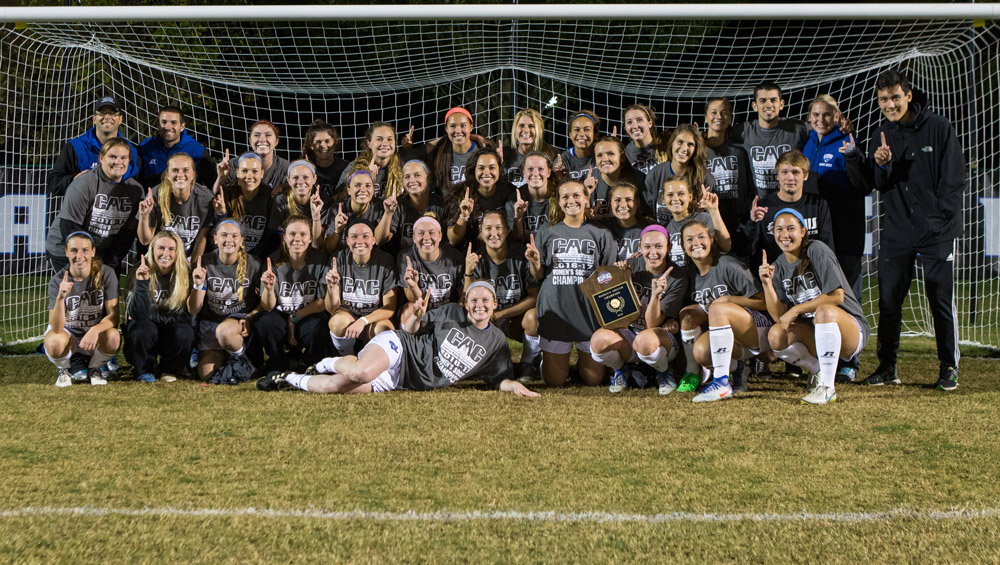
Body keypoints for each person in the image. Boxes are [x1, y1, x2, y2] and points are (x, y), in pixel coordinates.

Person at [860, 69, 965, 390]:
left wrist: (943, 220)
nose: (889, 104)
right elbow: (878, 184)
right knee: (889, 301)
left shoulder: (940, 128)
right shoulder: (883, 133)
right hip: (897, 232)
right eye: (883, 100)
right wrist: (881, 164)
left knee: (940, 301)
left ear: (908, 95)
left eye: (894, 97)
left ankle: (949, 367)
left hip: (936, 232)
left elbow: (954, 179)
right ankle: (887, 367)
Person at [256, 282, 540, 397]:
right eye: (474, 299)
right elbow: (412, 329)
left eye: (486, 300)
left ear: (494, 305)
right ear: (467, 304)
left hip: (403, 380)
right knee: (360, 371)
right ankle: (324, 362)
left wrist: (514, 386)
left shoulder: (496, 341)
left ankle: (287, 378)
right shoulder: (453, 311)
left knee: (337, 386)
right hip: (400, 349)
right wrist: (417, 314)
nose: (480, 305)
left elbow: (497, 378)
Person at [759, 209, 871, 404]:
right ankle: (818, 370)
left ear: (803, 231)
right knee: (776, 335)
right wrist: (767, 284)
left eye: (791, 228)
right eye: (779, 229)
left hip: (850, 330)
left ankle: (828, 387)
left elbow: (836, 296)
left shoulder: (816, 249)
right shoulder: (779, 265)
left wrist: (796, 309)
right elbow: (780, 318)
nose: (785, 234)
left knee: (824, 310)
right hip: (818, 333)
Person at [802, 95, 873, 382]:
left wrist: (853, 154)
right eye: (815, 115)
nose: (821, 120)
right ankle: (821, 356)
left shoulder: (847, 142)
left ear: (837, 116)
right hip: (816, 236)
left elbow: (863, 185)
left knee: (847, 296)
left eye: (827, 115)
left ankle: (850, 361)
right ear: (809, 118)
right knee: (818, 296)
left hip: (846, 235)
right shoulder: (805, 143)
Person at [525, 179, 617, 387]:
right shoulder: (548, 232)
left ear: (586, 199)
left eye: (576, 195)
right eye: (565, 196)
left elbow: (608, 278)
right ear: (558, 202)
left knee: (593, 380)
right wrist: (535, 262)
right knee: (554, 381)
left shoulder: (602, 233)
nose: (571, 200)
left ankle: (579, 365)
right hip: (556, 308)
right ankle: (547, 360)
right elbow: (538, 275)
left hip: (588, 311)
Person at [590, 225, 687, 394]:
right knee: (598, 341)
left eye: (659, 246)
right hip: (631, 335)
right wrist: (618, 278)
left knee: (645, 340)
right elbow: (613, 309)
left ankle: (664, 372)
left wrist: (656, 295)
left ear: (669, 247)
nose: (653, 252)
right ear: (640, 248)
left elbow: (651, 323)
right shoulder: (631, 266)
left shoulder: (676, 276)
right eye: (647, 247)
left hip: (658, 339)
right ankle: (621, 370)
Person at [677, 220, 767, 398]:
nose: (696, 243)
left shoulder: (728, 265)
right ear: (682, 245)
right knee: (700, 350)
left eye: (701, 237)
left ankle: (721, 382)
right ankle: (737, 367)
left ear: (712, 240)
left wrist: (728, 299)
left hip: (756, 330)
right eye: (689, 239)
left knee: (718, 307)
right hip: (728, 336)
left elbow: (763, 302)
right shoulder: (689, 275)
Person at [45, 138, 145, 274]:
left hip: (101, 252)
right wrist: (87, 261)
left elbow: (126, 236)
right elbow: (70, 227)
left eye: (123, 158)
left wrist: (109, 265)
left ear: (129, 161)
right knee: (79, 292)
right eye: (112, 157)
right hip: (67, 249)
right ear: (101, 158)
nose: (118, 162)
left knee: (108, 293)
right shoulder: (84, 183)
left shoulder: (135, 190)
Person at [464, 210, 540, 380]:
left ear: (507, 230)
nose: (494, 233)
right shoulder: (477, 258)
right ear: (481, 233)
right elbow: (466, 303)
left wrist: (500, 314)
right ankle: (478, 363)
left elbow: (534, 297)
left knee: (533, 317)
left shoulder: (520, 254)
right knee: (469, 317)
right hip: (487, 319)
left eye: (499, 228)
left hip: (514, 317)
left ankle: (528, 363)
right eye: (488, 228)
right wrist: (468, 273)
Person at [254, 215, 334, 372]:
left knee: (319, 326)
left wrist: (294, 318)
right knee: (265, 322)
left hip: (307, 314)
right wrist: (269, 289)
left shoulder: (320, 259)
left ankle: (310, 363)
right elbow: (267, 305)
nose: (297, 239)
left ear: (310, 238)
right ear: (284, 237)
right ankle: (278, 363)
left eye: (303, 234)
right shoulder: (273, 260)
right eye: (292, 234)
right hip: (281, 316)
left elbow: (322, 301)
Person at [187, 221, 264, 382]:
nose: (229, 240)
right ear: (215, 239)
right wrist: (198, 284)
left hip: (237, 322)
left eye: (234, 236)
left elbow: (265, 303)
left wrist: (250, 317)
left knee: (224, 332)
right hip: (211, 321)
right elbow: (194, 309)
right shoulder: (204, 263)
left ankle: (241, 357)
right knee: (207, 374)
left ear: (241, 240)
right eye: (224, 235)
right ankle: (230, 358)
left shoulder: (254, 264)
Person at [44, 232, 120, 387]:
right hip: (68, 334)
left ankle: (94, 369)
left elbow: (114, 316)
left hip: (92, 335)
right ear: (66, 252)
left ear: (93, 252)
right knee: (54, 342)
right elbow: (57, 328)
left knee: (113, 337)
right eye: (74, 250)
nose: (79, 255)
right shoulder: (58, 280)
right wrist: (60, 298)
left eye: (85, 250)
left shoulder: (106, 274)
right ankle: (64, 369)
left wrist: (95, 330)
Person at [123, 231, 194, 383]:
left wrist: (155, 316)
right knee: (143, 329)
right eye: (161, 248)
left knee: (184, 332)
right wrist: (142, 284)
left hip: (169, 332)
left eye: (171, 249)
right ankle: (144, 369)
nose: (165, 253)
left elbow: (185, 315)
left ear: (177, 252)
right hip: (148, 330)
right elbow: (137, 315)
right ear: (152, 249)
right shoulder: (138, 271)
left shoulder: (186, 274)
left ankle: (169, 369)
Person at [747, 150, 835, 266]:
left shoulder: (818, 204)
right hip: (773, 275)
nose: (789, 177)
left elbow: (827, 247)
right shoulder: (762, 208)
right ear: (777, 175)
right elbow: (746, 249)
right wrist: (752, 223)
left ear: (805, 175)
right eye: (784, 172)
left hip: (809, 273)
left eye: (795, 172)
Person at [327, 218, 398, 356]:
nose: (360, 241)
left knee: (385, 329)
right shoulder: (338, 259)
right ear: (348, 241)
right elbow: (332, 309)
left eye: (365, 236)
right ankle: (346, 358)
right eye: (354, 237)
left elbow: (390, 308)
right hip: (347, 316)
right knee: (337, 321)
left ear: (374, 240)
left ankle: (372, 365)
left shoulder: (385, 261)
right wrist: (332, 288)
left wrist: (363, 321)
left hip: (373, 319)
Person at [47, 95, 139, 197]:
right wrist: (74, 180)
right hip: (83, 211)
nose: (107, 117)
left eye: (112, 113)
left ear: (120, 119)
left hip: (117, 210)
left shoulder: (131, 150)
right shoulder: (76, 147)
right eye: (102, 113)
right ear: (94, 119)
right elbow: (53, 184)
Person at [737, 81, 809, 198]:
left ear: (781, 104)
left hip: (789, 202)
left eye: (773, 100)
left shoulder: (798, 129)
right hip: (759, 205)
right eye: (763, 100)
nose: (769, 104)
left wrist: (843, 128)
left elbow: (821, 127)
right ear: (754, 106)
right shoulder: (743, 131)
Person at [703, 98, 755, 258]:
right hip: (709, 221)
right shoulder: (698, 151)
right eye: (714, 112)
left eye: (724, 112)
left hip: (738, 224)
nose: (719, 116)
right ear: (706, 117)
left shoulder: (739, 151)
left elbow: (748, 186)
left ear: (730, 118)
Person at [138, 152, 214, 260]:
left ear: (193, 174)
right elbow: (145, 240)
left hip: (188, 258)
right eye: (175, 170)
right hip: (161, 257)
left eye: (185, 170)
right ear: (168, 175)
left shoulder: (205, 199)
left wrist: (192, 268)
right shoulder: (156, 195)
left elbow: (201, 239)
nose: (180, 174)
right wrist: (144, 216)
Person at [212, 151, 280, 258]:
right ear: (237, 172)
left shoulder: (270, 196)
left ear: (262, 173)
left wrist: (254, 261)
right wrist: (221, 215)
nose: (249, 176)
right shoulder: (228, 194)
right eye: (244, 171)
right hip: (230, 256)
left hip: (258, 259)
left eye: (254, 171)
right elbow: (218, 232)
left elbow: (270, 237)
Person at [445, 148, 516, 248]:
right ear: (474, 170)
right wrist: (464, 216)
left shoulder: (509, 192)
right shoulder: (462, 194)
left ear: (499, 170)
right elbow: (453, 240)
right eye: (481, 168)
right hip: (470, 251)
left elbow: (515, 236)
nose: (486, 172)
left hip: (502, 249)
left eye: (492, 168)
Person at [397, 216, 464, 323]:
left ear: (440, 236)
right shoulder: (406, 257)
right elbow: (413, 299)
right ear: (414, 237)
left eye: (432, 233)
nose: (426, 237)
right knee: (409, 310)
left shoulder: (454, 257)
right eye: (421, 233)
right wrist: (413, 286)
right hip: (420, 306)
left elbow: (462, 295)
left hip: (447, 310)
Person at [644, 124, 715, 219]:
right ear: (672, 143)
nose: (684, 148)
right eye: (680, 142)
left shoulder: (704, 178)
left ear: (696, 149)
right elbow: (647, 213)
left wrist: (699, 211)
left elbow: (709, 220)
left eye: (690, 144)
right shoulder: (656, 174)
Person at [137, 104, 216, 190]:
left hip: (186, 202)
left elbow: (213, 183)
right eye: (164, 122)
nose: (168, 127)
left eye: (173, 123)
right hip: (154, 201)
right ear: (158, 125)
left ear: (182, 126)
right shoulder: (145, 148)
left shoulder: (196, 151)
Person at [659, 175, 731, 269]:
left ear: (690, 197)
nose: (676, 198)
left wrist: (714, 210)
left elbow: (725, 247)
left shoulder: (703, 219)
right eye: (670, 195)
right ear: (663, 199)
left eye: (681, 194)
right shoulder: (664, 229)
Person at [377, 159, 446, 255]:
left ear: (428, 177)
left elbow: (451, 241)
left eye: (417, 175)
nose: (412, 180)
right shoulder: (397, 204)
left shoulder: (440, 204)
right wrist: (388, 213)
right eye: (407, 177)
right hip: (404, 260)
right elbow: (379, 240)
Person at [322, 168, 388, 252]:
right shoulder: (337, 209)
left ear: (373, 190)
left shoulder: (381, 208)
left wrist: (388, 213)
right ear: (348, 190)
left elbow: (380, 242)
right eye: (357, 185)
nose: (363, 190)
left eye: (368, 185)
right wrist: (338, 231)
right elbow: (328, 249)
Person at [583, 136, 645, 223]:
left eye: (610, 154)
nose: (605, 159)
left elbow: (647, 216)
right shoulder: (586, 181)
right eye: (599, 155)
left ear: (622, 157)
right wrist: (584, 200)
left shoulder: (638, 179)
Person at [340, 121, 404, 200]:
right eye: (379, 139)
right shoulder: (354, 167)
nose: (385, 143)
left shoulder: (402, 166)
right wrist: (365, 176)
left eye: (390, 139)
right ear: (368, 143)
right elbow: (337, 198)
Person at [224, 121, 290, 193]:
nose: (262, 139)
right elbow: (216, 195)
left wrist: (284, 186)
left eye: (268, 135)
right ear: (250, 140)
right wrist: (221, 178)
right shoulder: (234, 165)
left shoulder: (285, 167)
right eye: (256, 135)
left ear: (276, 141)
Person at [430, 107, 483, 193]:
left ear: (471, 127)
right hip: (447, 205)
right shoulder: (438, 154)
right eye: (453, 126)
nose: (458, 131)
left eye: (463, 125)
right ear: (446, 129)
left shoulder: (481, 151)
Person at [506, 151, 555, 244]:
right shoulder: (513, 201)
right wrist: (518, 219)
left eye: (541, 169)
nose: (535, 173)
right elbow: (514, 242)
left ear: (548, 172)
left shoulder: (559, 197)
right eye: (530, 169)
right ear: (524, 173)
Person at [301, 119, 350, 209]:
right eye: (318, 142)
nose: (323, 145)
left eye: (327, 141)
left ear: (335, 142)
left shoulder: (345, 167)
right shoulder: (305, 168)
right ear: (311, 145)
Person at [502, 108, 558, 187]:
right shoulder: (504, 155)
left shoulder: (552, 155)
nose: (525, 130)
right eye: (521, 125)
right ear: (515, 130)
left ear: (539, 130)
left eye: (531, 126)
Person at [604, 182, 650, 262]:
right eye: (617, 200)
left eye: (628, 199)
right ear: (610, 202)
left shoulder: (650, 228)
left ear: (637, 202)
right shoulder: (602, 228)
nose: (623, 205)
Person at [554, 110, 600, 181]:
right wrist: (558, 177)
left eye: (587, 129)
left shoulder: (601, 155)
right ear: (570, 134)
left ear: (595, 134)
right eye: (576, 129)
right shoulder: (563, 160)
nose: (581, 134)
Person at [622, 104, 664, 174]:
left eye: (639, 120)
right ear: (625, 128)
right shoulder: (625, 155)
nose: (635, 126)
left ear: (650, 123)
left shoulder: (664, 147)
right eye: (629, 122)